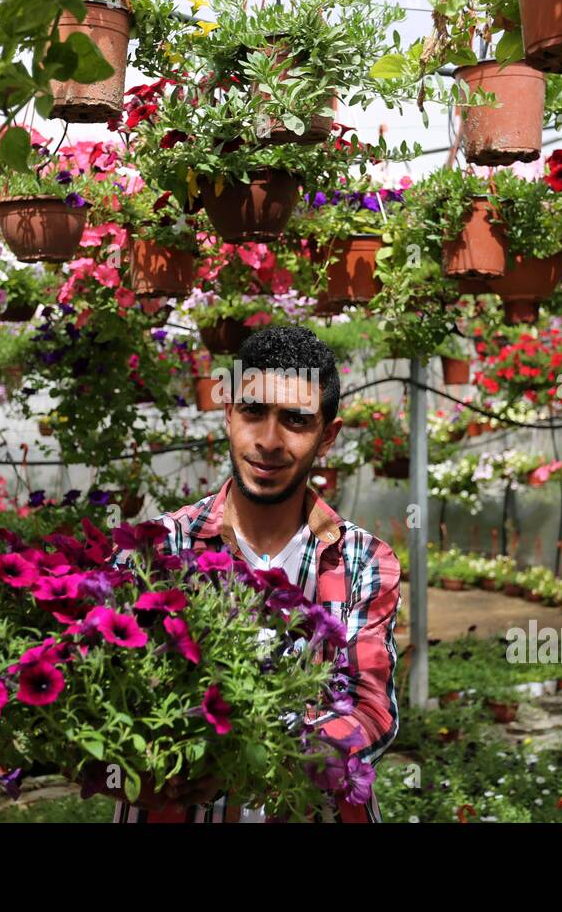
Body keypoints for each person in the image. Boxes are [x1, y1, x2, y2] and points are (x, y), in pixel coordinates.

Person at [111, 325, 401, 823]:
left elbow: (371, 710)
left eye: (295, 420)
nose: (269, 440)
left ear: (327, 437)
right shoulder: (155, 551)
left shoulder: (362, 560)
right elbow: (112, 695)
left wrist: (240, 761)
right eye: (253, 412)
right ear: (228, 415)